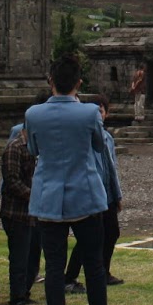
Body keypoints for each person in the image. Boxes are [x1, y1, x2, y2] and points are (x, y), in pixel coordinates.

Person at [25, 53, 125, 305]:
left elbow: (33, 148)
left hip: (48, 194)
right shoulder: (90, 112)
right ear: (79, 83)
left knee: (54, 264)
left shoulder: (33, 114)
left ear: (50, 81)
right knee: (93, 261)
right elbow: (97, 143)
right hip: (85, 193)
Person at [64, 97, 125, 293]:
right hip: (91, 193)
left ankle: (104, 271)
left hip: (107, 192)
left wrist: (117, 194)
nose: (99, 115)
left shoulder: (108, 137)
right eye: (96, 112)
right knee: (89, 237)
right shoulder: (83, 138)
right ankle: (70, 276)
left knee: (112, 232)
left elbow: (111, 168)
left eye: (102, 111)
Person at [1, 112, 42, 305]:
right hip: (16, 212)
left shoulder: (36, 148)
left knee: (32, 257)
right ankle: (16, 296)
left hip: (33, 213)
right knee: (19, 257)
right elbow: (12, 182)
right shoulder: (14, 148)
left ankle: (24, 291)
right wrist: (34, 194)